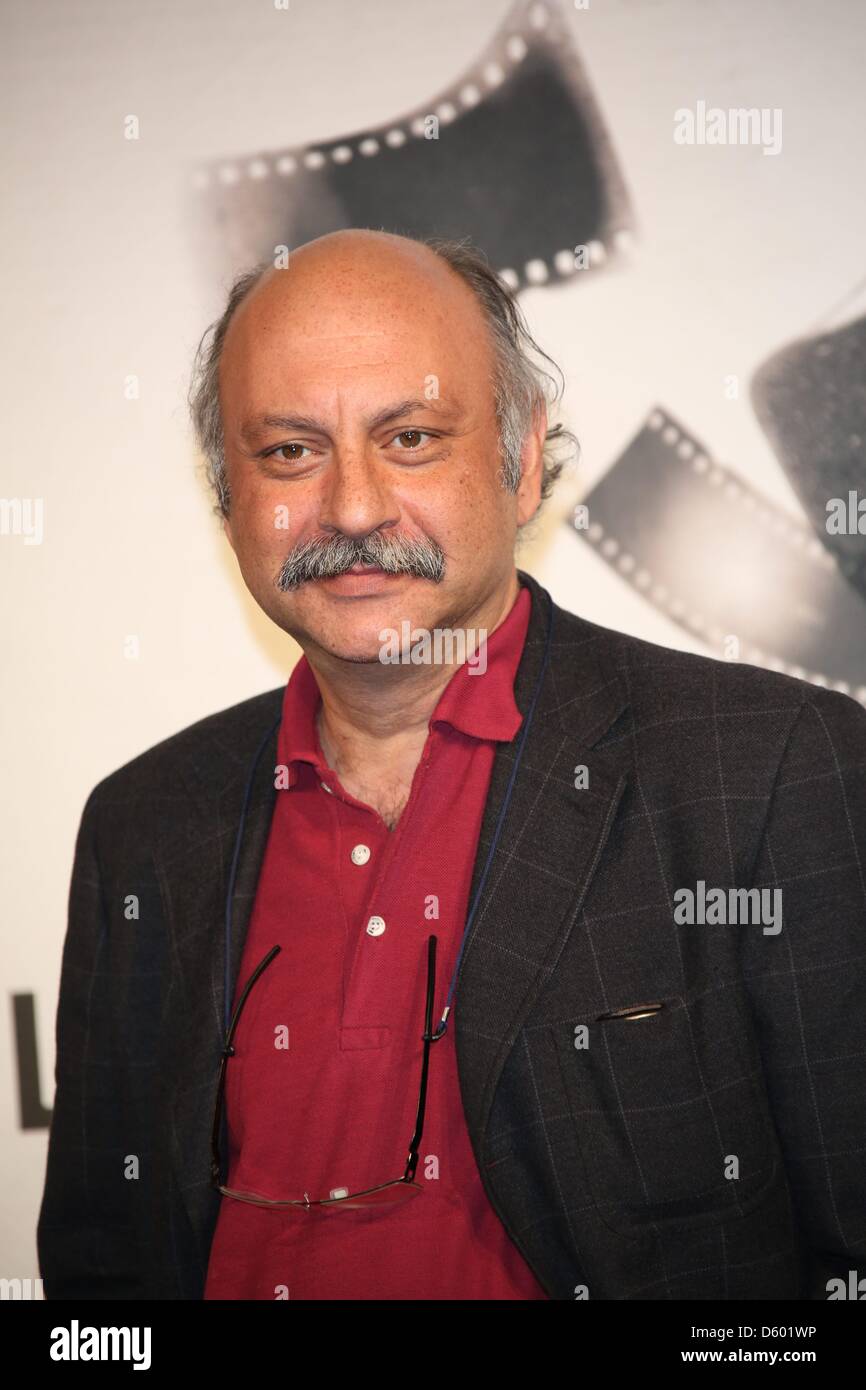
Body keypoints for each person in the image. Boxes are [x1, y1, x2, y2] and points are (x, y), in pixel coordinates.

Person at [38, 230, 866, 1300]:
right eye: (289, 451)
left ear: (523, 460)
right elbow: (100, 1278)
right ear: (225, 493)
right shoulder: (142, 825)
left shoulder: (768, 773)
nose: (349, 508)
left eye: (411, 438)